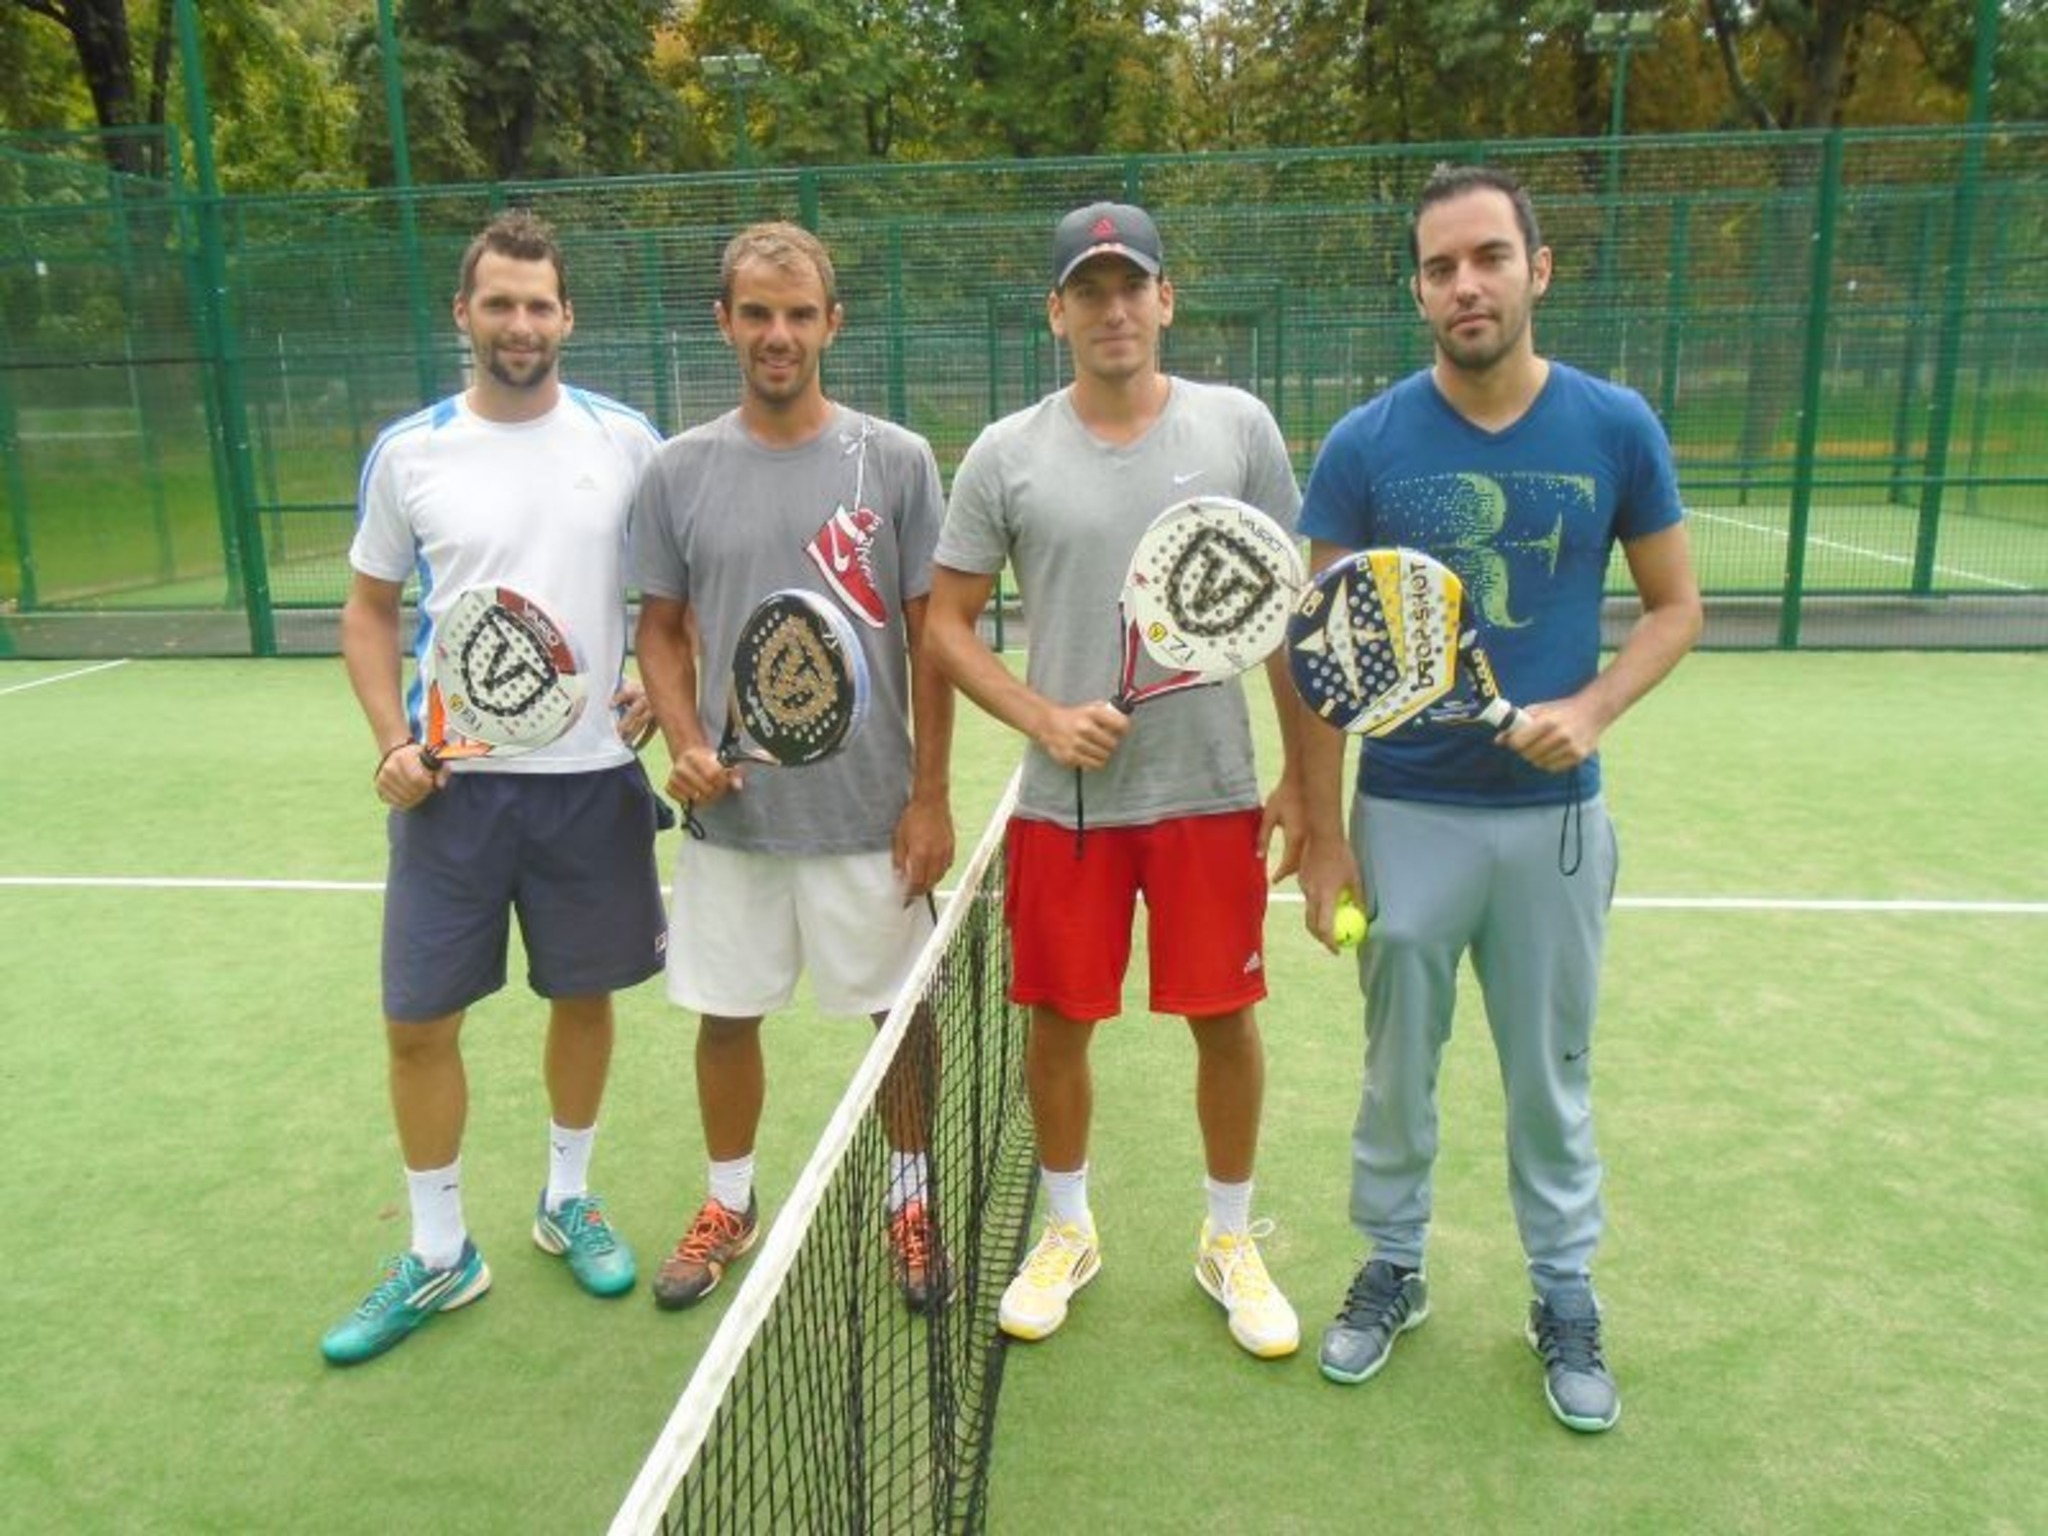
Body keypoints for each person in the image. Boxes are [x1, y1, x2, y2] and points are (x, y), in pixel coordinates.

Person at [1294, 164, 1704, 1431]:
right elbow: (1316, 652)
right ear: (1417, 287)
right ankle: (1394, 1266)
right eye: (1437, 267)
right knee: (1393, 1066)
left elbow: (1677, 607)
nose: (1462, 285)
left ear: (1538, 268)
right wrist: (1318, 837)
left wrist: (1586, 711)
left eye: (1485, 257)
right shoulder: (1363, 443)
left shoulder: (1613, 426)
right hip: (1404, 814)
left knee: (1548, 1071)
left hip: (1556, 827)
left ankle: (1563, 1292)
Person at [925, 201, 1312, 1360]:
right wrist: (1040, 714)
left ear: (1163, 300)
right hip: (1068, 806)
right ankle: (1065, 1229)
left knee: (1223, 1019)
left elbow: (1282, 610)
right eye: (1086, 290)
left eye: (1128, 285)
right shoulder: (1005, 453)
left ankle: (1228, 1239)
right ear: (1056, 312)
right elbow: (944, 626)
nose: (1111, 308)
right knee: (1058, 1024)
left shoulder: (1237, 428)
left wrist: (1300, 775)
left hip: (1209, 793)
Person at [324, 210, 669, 1365]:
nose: (519, 323)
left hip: (592, 787)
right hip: (451, 795)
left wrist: (666, 692)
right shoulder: (410, 452)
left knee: (585, 997)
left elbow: (675, 597)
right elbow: (370, 611)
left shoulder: (627, 442)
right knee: (418, 1020)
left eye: (539, 304)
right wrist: (389, 740)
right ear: (463, 314)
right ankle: (437, 1255)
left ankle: (565, 1199)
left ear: (566, 317)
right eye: (499, 302)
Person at [631, 222, 957, 1314]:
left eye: (798, 314)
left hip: (870, 815)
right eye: (757, 315)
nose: (779, 335)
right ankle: (729, 1199)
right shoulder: (677, 472)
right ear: (724, 322)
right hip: (733, 823)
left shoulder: (897, 460)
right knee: (726, 1017)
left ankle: (908, 1201)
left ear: (831, 322)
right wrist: (683, 736)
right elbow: (662, 632)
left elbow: (933, 639)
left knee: (895, 1020)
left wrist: (928, 796)